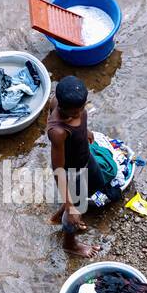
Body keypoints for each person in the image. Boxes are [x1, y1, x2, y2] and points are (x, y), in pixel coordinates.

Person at [46, 75, 119, 257]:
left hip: (86, 158)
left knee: (97, 183)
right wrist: (71, 207)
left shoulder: (59, 100)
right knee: (75, 209)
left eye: (82, 108)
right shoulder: (58, 132)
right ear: (62, 107)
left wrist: (84, 131)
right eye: (76, 112)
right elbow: (58, 170)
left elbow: (77, 116)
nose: (80, 113)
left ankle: (59, 215)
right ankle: (70, 244)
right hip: (73, 172)